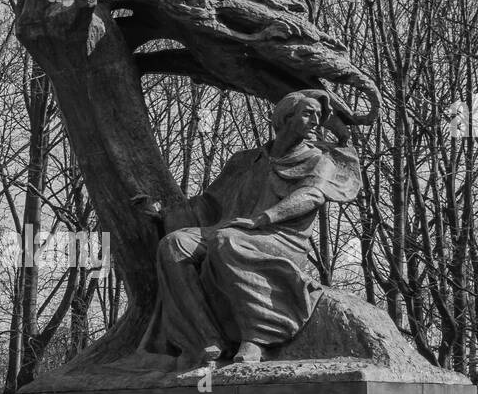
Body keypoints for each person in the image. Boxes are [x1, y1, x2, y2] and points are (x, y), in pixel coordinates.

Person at [135, 90, 362, 369]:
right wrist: (162, 215)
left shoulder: (318, 161)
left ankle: (255, 338)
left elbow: (311, 195)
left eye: (319, 115)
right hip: (231, 228)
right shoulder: (244, 161)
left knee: (226, 241)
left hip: (280, 237)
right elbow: (208, 203)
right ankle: (207, 339)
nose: (316, 120)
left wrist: (263, 219)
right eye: (308, 112)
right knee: (173, 244)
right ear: (285, 117)